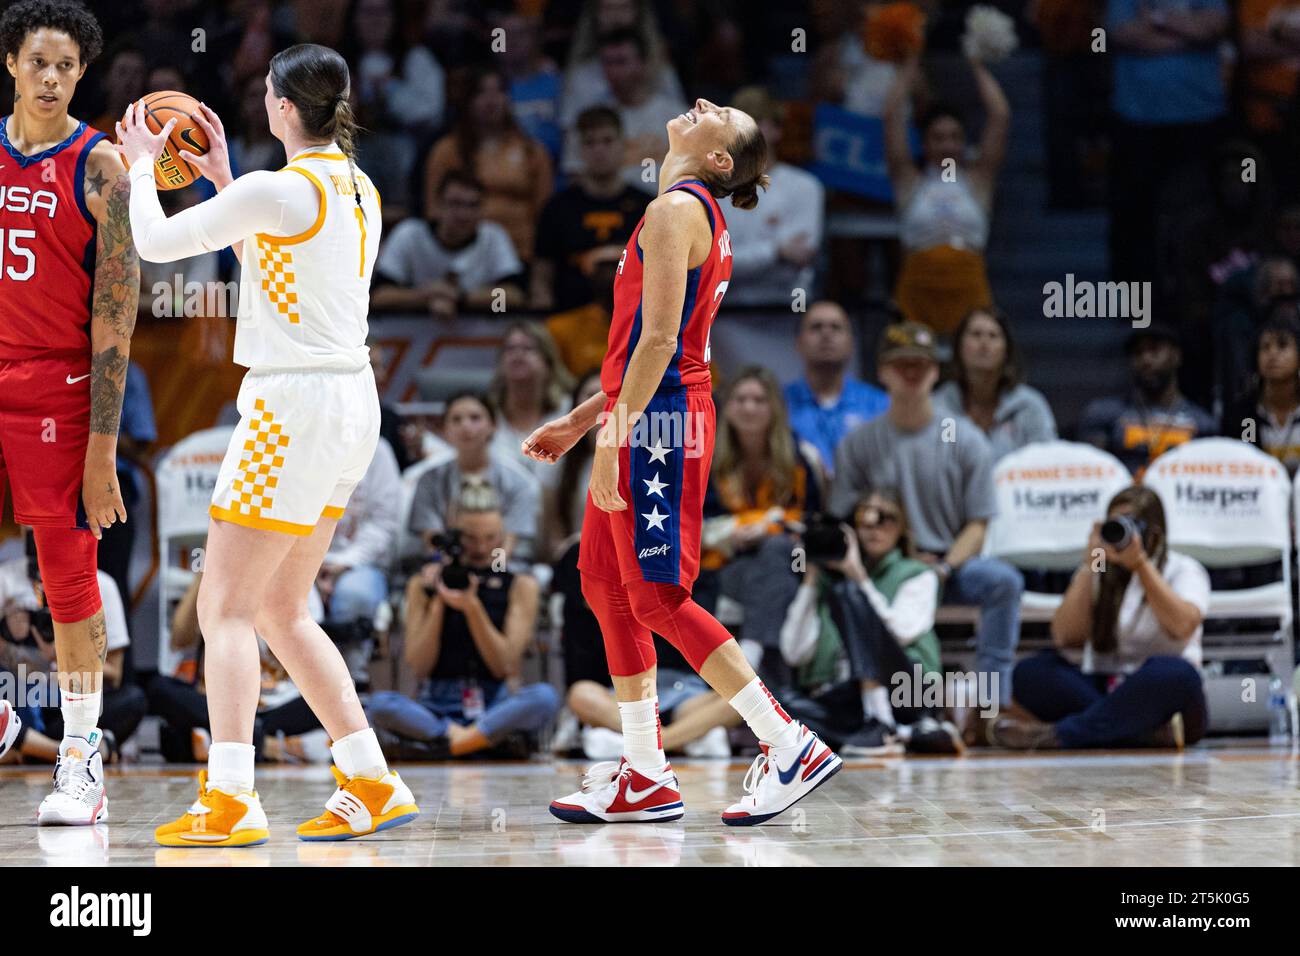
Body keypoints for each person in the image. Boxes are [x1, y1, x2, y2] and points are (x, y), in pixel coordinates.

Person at [118, 42, 418, 846]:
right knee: (284, 608)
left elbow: (154, 244)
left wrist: (144, 162)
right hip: (351, 405)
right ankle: (372, 778)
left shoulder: (277, 190)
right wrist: (218, 181)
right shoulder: (359, 187)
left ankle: (232, 797)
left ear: (282, 107)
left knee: (223, 608)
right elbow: (272, 264)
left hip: (293, 409)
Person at [523, 97, 842, 826]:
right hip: (648, 409)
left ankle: (787, 741)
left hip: (661, 425)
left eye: (716, 112)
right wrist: (583, 421)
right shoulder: (683, 208)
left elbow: (661, 345)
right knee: (605, 586)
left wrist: (612, 440)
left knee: (660, 597)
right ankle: (646, 772)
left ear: (719, 158)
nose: (699, 104)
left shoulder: (676, 212)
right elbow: (643, 342)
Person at [1, 0, 141, 826]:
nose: (51, 78)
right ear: (11, 63)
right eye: (38, 62)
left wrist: (101, 450)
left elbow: (116, 319)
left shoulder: (101, 169)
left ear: (80, 74)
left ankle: (81, 756)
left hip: (58, 386)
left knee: (67, 575)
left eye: (66, 66)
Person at [829, 321, 1022, 725]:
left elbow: (978, 524)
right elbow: (844, 516)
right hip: (886, 566)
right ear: (882, 372)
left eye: (920, 364)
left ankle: (993, 706)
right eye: (901, 365)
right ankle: (843, 697)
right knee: (834, 583)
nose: (911, 373)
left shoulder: (967, 440)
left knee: (1003, 581)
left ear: (936, 372)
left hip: (950, 565)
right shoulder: (859, 443)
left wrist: (942, 568)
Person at [992, 486, 1209, 749]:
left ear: (1153, 532)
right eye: (1115, 524)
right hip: (1104, 683)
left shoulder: (1182, 569)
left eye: (1132, 524)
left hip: (1156, 691)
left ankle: (1057, 735)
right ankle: (1140, 734)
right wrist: (1088, 565)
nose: (1122, 533)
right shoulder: (1099, 567)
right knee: (1031, 672)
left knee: (1178, 675)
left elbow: (1182, 626)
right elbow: (1064, 636)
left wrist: (1141, 564)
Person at [370, 490, 559, 757]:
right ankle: (477, 741)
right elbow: (419, 666)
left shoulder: (520, 585)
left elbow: (503, 665)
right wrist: (438, 600)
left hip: (495, 702)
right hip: (435, 702)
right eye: (470, 538)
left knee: (544, 697)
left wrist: (471, 607)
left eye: (491, 538)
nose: (481, 548)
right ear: (454, 537)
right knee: (380, 704)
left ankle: (444, 744)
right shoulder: (422, 585)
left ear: (504, 537)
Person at [780, 489, 960, 755]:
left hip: (907, 690)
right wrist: (810, 580)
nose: (874, 530)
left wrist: (859, 577)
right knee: (782, 706)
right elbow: (793, 653)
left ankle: (885, 724)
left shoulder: (920, 575)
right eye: (864, 523)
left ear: (901, 527)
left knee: (849, 594)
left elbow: (900, 632)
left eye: (885, 519)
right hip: (852, 695)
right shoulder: (831, 583)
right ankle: (907, 733)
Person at [699, 366, 824, 653]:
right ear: (727, 406)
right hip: (726, 564)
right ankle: (769, 672)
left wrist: (767, 528)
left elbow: (811, 519)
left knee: (775, 550)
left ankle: (751, 656)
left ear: (774, 407)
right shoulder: (706, 459)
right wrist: (737, 530)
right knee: (774, 578)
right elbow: (694, 524)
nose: (749, 407)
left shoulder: (799, 456)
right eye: (740, 399)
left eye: (759, 400)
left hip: (790, 561)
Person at [883, 53, 1010, 335]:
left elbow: (1000, 115)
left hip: (969, 287)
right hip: (917, 288)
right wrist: (908, 63)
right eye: (938, 138)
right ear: (924, 143)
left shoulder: (978, 181)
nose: (947, 145)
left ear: (964, 143)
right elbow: (891, 115)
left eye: (955, 137)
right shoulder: (909, 181)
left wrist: (977, 65)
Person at [421, 65, 552, 264]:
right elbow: (434, 211)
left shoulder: (532, 151)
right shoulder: (446, 151)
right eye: (482, 92)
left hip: (521, 253)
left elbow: (544, 214)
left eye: (499, 91)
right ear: (468, 99)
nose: (492, 100)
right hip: (463, 256)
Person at [530, 106, 650, 313]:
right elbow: (541, 280)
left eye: (607, 141)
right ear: (579, 150)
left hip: (633, 324)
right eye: (590, 142)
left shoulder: (648, 208)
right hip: (569, 324)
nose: (599, 150)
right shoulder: (557, 208)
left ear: (624, 145)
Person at [371, 169, 525, 317]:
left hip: (478, 339)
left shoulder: (493, 237)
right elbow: (379, 298)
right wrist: (424, 297)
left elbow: (514, 298)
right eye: (455, 204)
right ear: (437, 205)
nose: (463, 214)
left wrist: (461, 298)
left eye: (472, 205)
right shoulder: (410, 235)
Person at [408, 391, 542, 562]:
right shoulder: (429, 480)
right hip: (446, 566)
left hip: (502, 566)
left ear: (493, 425)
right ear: (445, 430)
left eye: (475, 418)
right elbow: (432, 539)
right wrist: (451, 571)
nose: (466, 426)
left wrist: (492, 574)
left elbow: (508, 542)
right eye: (456, 419)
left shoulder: (519, 481)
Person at [722, 87, 824, 307]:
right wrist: (777, 251)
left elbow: (800, 259)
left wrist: (743, 261)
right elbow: (715, 267)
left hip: (785, 314)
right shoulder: (713, 191)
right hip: (727, 318)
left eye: (756, 120)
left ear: (777, 129)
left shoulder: (805, 186)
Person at [1077, 322, 1216, 478]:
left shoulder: (1202, 422)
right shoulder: (1104, 414)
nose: (1146, 359)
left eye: (1154, 350)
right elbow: (1090, 473)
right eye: (1138, 353)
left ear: (1177, 356)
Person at [932, 307, 1057, 461]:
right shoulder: (943, 408)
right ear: (959, 347)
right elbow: (941, 464)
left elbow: (1047, 464)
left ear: (1006, 351)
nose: (984, 343)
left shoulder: (1029, 407)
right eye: (976, 334)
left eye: (993, 336)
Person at [782, 301, 889, 474]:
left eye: (836, 327)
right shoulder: (778, 404)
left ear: (851, 343)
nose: (826, 334)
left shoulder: (880, 405)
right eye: (816, 327)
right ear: (798, 342)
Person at [488, 322, 575, 491]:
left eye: (528, 348)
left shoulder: (570, 413)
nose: (517, 355)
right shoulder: (484, 415)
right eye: (510, 349)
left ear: (549, 364)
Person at [1221, 312, 1300, 474]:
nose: (1272, 354)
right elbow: (1237, 466)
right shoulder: (1243, 415)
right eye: (1265, 347)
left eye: (1282, 345)